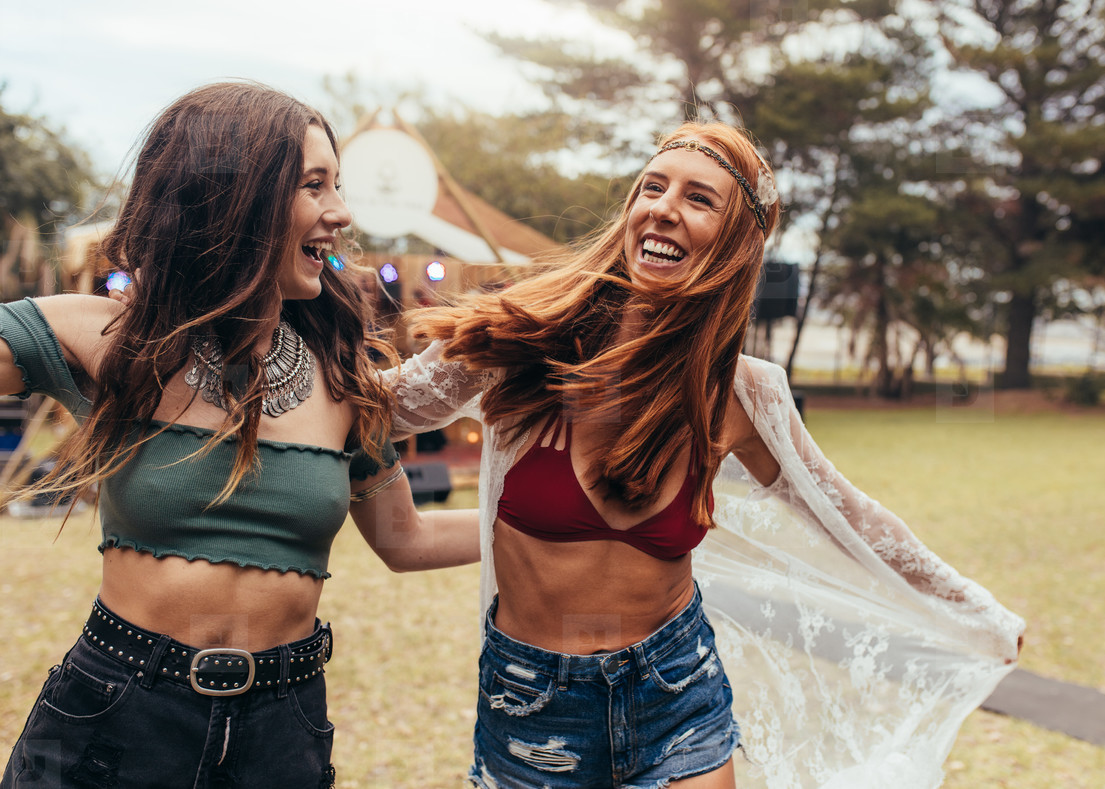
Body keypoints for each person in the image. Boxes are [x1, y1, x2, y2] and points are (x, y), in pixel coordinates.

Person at [382, 123, 1025, 788]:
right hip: (533, 695)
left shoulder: (743, 395)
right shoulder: (526, 335)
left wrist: (975, 607)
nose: (662, 207)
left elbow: (850, 516)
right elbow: (378, 412)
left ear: (734, 245)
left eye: (698, 198)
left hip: (675, 686)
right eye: (652, 188)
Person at [0, 81, 478, 788]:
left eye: (337, 185)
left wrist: (562, 520)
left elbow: (406, 540)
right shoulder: (104, 338)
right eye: (315, 185)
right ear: (235, 197)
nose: (341, 212)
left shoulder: (342, 379)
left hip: (282, 730)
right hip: (118, 718)